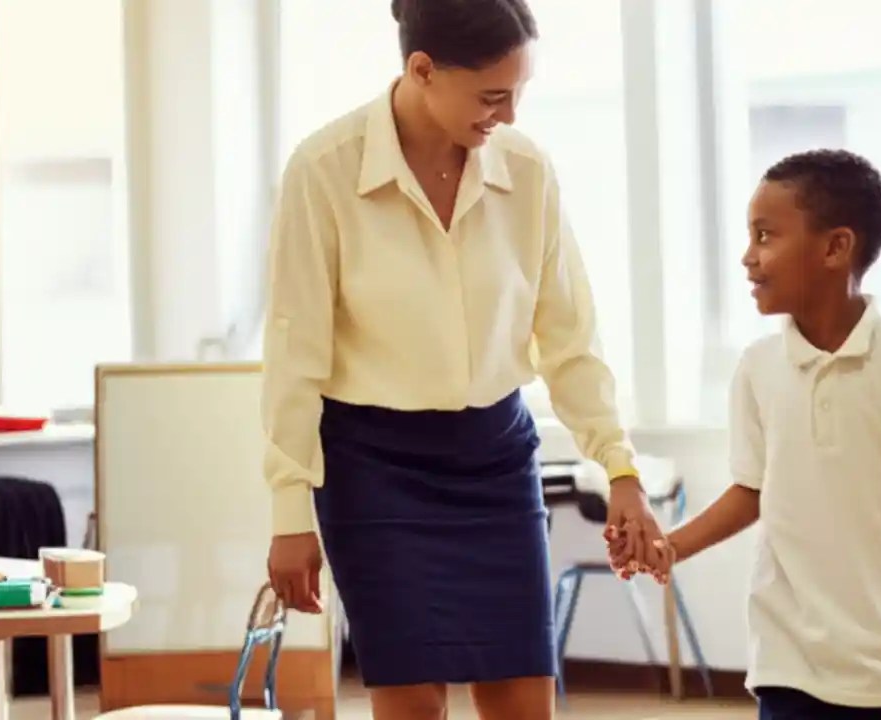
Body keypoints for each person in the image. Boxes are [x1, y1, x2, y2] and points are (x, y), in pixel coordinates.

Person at [261, 1, 671, 717]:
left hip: (494, 461)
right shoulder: (323, 171)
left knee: (522, 702)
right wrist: (288, 510)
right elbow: (294, 358)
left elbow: (570, 340)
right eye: (491, 96)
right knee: (414, 703)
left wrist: (621, 467)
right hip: (371, 468)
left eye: (519, 92)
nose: (508, 114)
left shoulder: (527, 172)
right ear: (422, 70)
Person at [612, 149, 881, 719]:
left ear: (837, 247)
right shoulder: (758, 367)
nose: (747, 257)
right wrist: (671, 549)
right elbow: (752, 491)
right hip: (789, 655)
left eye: (765, 236)